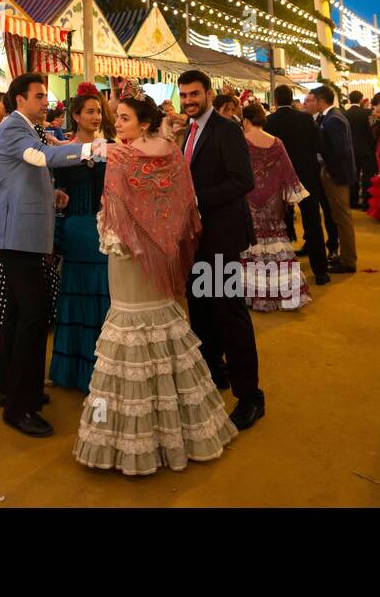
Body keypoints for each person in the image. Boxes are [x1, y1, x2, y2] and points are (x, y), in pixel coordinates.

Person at [73, 80, 236, 475]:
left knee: (128, 322)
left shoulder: (122, 158)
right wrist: (163, 237)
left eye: (125, 119)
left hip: (129, 255)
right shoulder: (171, 153)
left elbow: (113, 214)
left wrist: (136, 237)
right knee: (163, 321)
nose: (119, 125)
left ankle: (131, 435)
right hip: (159, 253)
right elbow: (184, 204)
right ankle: (179, 428)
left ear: (144, 124)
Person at [0, 72, 105, 438]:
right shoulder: (13, 129)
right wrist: (90, 149)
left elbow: (26, 173)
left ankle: (11, 389)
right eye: (39, 95)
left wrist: (49, 196)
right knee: (34, 315)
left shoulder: (24, 128)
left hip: (22, 231)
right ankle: (20, 406)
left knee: (20, 312)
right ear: (20, 99)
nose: (45, 100)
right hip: (17, 234)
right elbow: (39, 158)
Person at [178, 69, 264, 430]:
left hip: (222, 237)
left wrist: (198, 200)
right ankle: (215, 373)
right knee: (201, 310)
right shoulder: (188, 131)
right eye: (183, 96)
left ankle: (251, 397)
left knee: (228, 313)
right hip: (198, 239)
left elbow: (243, 180)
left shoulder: (226, 129)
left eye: (194, 94)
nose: (188, 101)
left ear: (209, 94)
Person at [49, 84, 114, 392]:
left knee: (105, 291)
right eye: (90, 111)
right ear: (75, 116)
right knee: (77, 292)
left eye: (99, 111)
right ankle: (76, 370)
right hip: (76, 228)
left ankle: (104, 369)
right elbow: (58, 191)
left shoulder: (111, 147)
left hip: (105, 228)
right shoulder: (64, 151)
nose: (96, 116)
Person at [239, 101, 311, 311]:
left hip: (248, 197)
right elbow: (287, 170)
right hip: (273, 199)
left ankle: (254, 293)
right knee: (275, 241)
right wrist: (287, 194)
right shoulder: (276, 142)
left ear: (246, 120)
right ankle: (284, 292)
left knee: (253, 243)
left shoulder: (241, 141)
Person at [265, 85, 329, 285]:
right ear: (292, 99)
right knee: (312, 222)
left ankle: (284, 273)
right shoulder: (305, 119)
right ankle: (320, 272)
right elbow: (318, 145)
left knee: (280, 223)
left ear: (275, 101)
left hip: (279, 179)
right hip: (306, 177)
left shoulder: (268, 122)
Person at [306, 85, 358, 274]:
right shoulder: (331, 116)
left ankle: (348, 260)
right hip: (336, 173)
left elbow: (340, 150)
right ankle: (345, 257)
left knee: (342, 217)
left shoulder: (333, 119)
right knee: (339, 216)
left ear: (321, 101)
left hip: (337, 175)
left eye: (313, 100)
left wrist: (329, 170)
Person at [345, 90, 375, 210]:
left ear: (349, 100)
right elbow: (370, 131)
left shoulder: (344, 114)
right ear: (361, 100)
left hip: (351, 149)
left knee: (353, 176)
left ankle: (353, 202)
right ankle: (366, 203)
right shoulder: (366, 112)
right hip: (366, 149)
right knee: (367, 176)